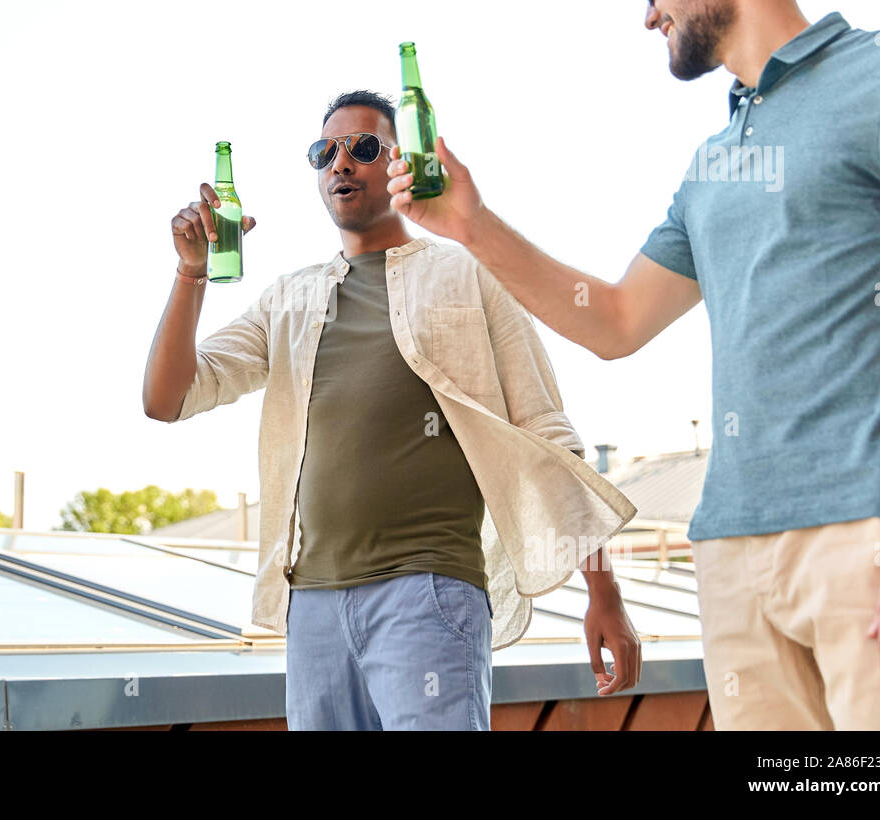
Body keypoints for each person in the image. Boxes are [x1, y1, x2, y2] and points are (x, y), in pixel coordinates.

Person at [387, 0, 880, 729]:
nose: (649, 12)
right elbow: (613, 321)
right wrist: (473, 225)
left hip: (873, 536)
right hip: (733, 555)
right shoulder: (715, 160)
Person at [143, 90, 638, 730]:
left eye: (364, 148)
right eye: (325, 152)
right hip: (313, 605)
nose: (340, 163)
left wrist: (604, 595)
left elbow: (546, 434)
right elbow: (167, 398)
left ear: (399, 162)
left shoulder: (470, 275)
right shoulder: (288, 300)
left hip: (427, 594)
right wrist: (191, 274)